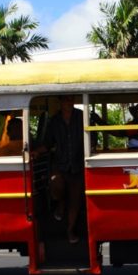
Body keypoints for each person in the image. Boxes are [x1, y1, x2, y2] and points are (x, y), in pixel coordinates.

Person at [34, 95, 84, 244]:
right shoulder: (54, 121)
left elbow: (91, 136)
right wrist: (37, 151)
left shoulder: (81, 117)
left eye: (70, 100)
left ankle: (70, 230)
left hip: (78, 164)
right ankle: (61, 203)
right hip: (60, 164)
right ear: (60, 102)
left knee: (75, 200)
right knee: (55, 183)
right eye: (65, 100)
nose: (68, 102)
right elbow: (48, 143)